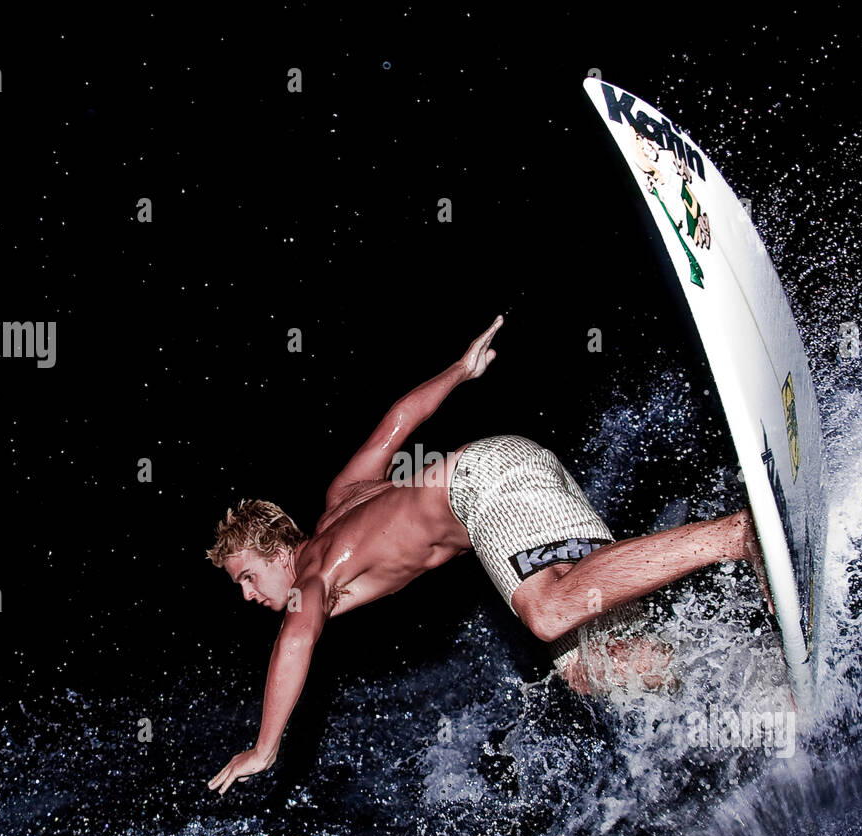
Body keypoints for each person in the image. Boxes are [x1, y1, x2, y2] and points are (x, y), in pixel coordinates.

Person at [206, 315, 772, 793]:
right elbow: (397, 424)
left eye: (248, 576)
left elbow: (297, 640)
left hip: (486, 487)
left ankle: (735, 536)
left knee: (546, 612)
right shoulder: (340, 497)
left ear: (280, 549)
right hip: (515, 472)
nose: (250, 594)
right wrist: (461, 370)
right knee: (585, 668)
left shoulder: (313, 573)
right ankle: (742, 675)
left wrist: (263, 748)